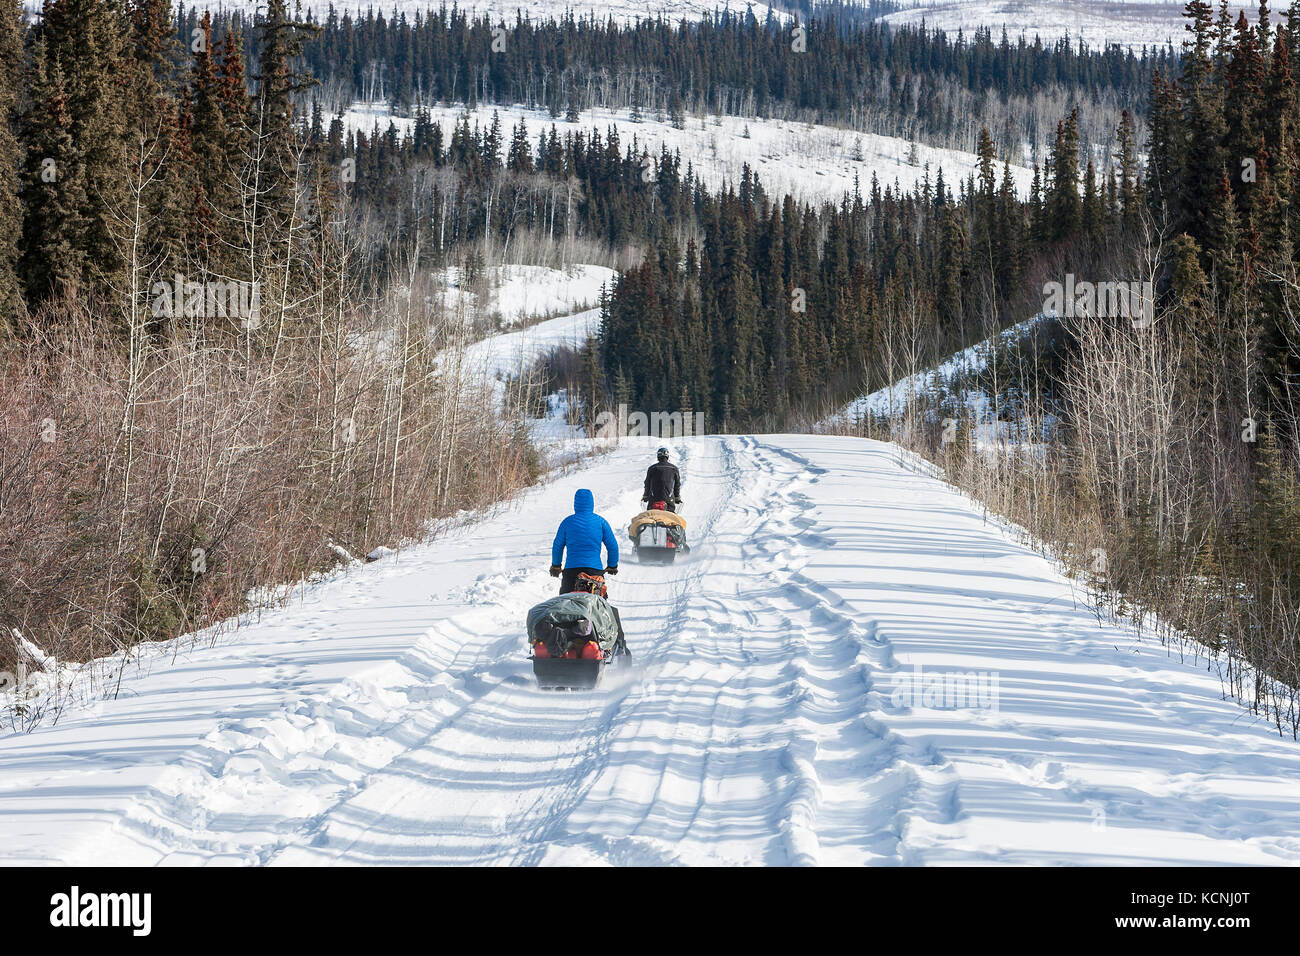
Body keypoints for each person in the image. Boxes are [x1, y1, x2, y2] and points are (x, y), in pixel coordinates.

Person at [550, 488, 619, 594]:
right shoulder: (600, 522)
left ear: (575, 504)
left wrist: (556, 565)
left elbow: (558, 546)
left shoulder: (567, 522)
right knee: (599, 603)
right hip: (594, 572)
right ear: (592, 503)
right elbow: (612, 546)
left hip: (571, 572)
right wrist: (612, 565)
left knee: (565, 602)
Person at [642, 446, 682, 512]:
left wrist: (645, 496)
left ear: (658, 457)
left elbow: (647, 484)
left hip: (653, 500)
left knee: (650, 516)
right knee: (672, 518)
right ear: (667, 457)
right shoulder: (674, 468)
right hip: (669, 500)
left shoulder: (652, 468)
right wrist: (677, 497)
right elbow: (677, 485)